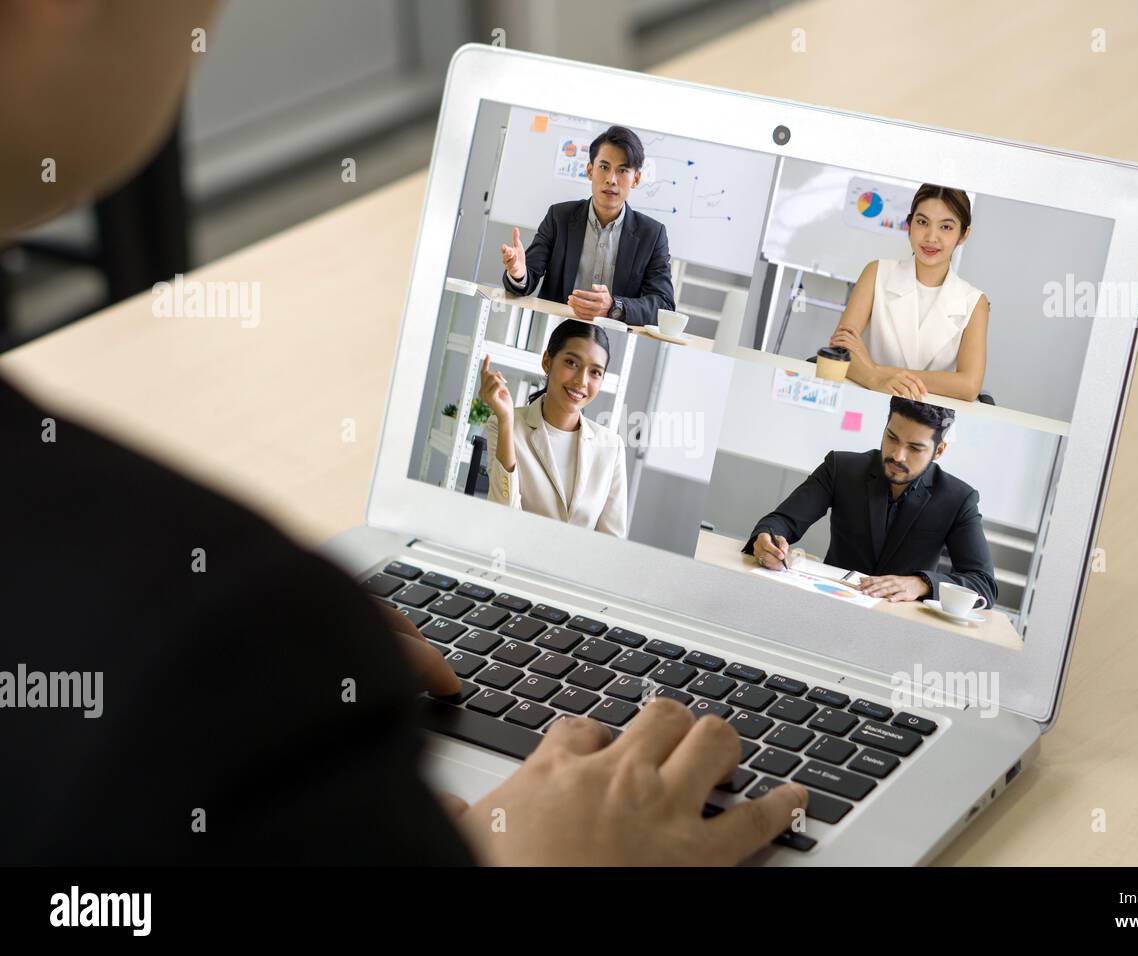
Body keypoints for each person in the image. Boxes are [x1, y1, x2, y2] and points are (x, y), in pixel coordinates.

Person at [0, 0, 805, 866]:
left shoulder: (643, 267)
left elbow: (661, 321)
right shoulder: (226, 655)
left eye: (596, 372)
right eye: (573, 366)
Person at [744, 398, 997, 608]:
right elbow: (781, 521)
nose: (898, 455)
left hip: (901, 623)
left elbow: (983, 583)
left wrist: (922, 583)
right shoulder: (840, 468)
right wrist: (767, 538)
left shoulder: (958, 498)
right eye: (892, 437)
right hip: (829, 605)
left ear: (939, 451)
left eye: (915, 448)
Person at [827, 184, 990, 403]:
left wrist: (875, 369)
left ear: (963, 235)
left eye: (946, 227)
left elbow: (969, 386)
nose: (931, 237)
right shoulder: (876, 272)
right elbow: (840, 348)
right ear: (909, 225)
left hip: (930, 418)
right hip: (869, 399)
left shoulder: (973, 302)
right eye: (922, 223)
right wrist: (874, 379)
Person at [499, 125, 675, 327]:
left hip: (611, 341)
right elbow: (525, 280)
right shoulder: (559, 218)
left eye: (623, 170)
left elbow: (664, 306)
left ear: (636, 179)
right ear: (590, 170)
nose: (611, 179)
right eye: (604, 167)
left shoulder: (652, 235)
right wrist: (519, 273)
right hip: (552, 330)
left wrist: (614, 307)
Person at [479, 320, 628, 536]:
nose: (581, 381)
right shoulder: (506, 425)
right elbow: (503, 515)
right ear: (547, 362)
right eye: (571, 363)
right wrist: (505, 420)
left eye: (595, 372)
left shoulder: (611, 447)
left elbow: (612, 541)